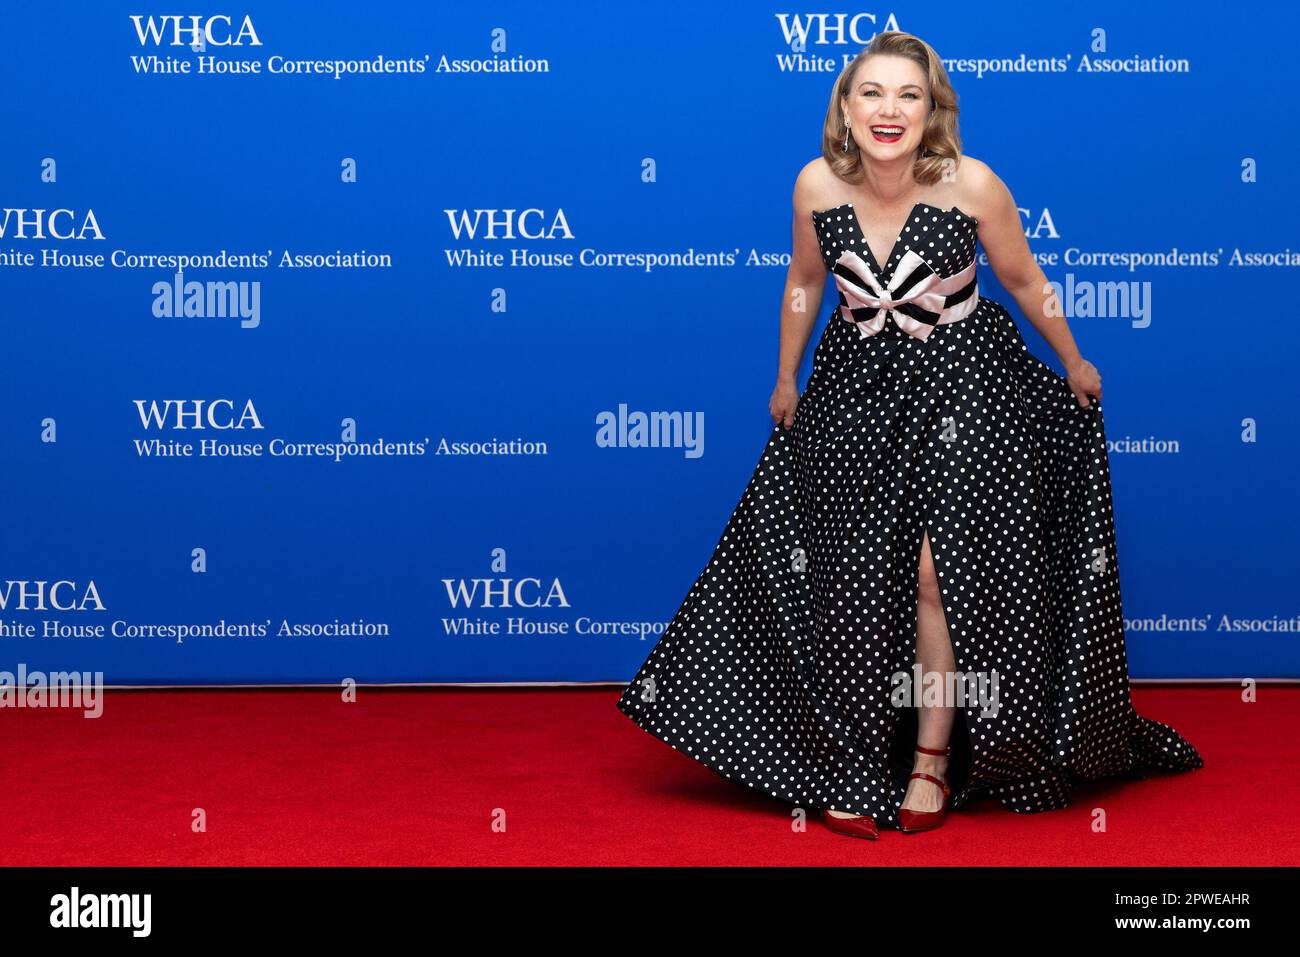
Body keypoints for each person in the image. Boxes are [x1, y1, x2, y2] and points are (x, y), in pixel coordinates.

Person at [615, 30, 1202, 839]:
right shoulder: (815, 184)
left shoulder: (975, 185)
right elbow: (805, 283)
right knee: (853, 572)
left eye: (909, 96)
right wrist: (786, 376)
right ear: (846, 109)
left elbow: (1026, 279)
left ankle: (929, 760)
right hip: (856, 386)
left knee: (937, 572)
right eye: (873, 94)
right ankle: (852, 758)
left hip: (967, 381)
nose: (889, 110)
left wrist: (1074, 358)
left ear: (932, 112)